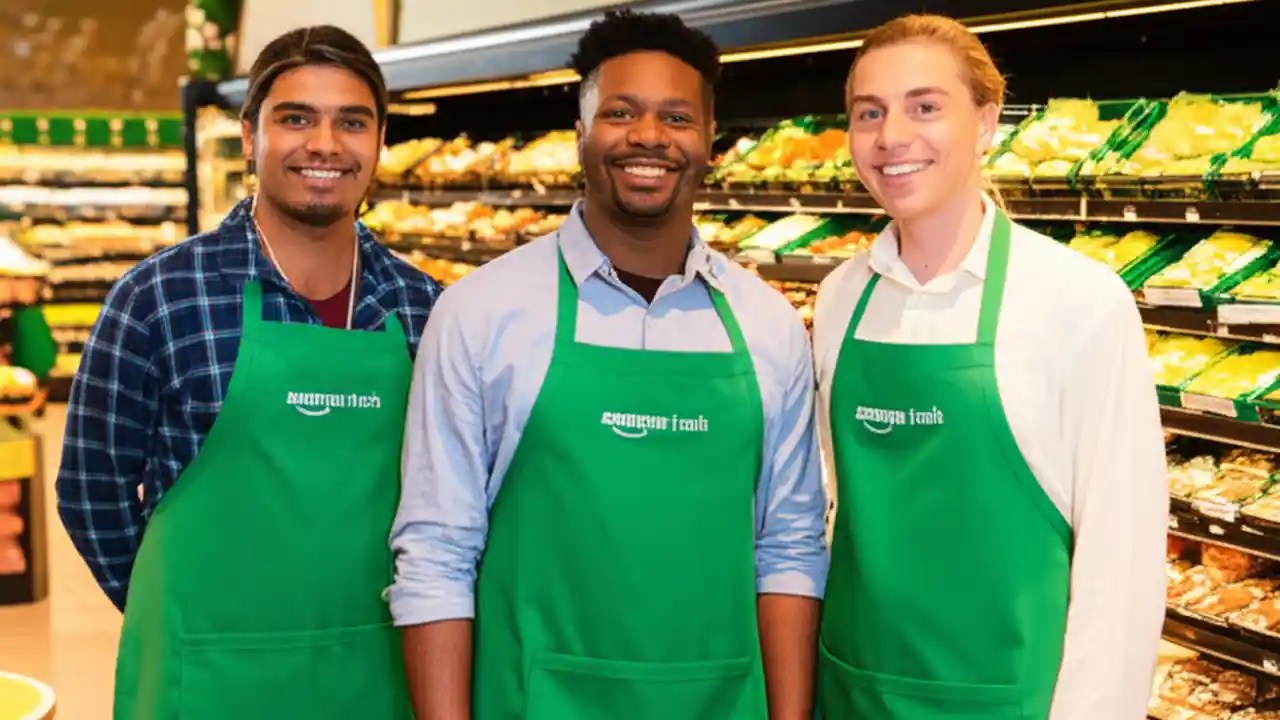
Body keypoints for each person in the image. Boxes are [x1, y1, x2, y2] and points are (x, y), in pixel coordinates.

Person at [389, 9, 829, 720]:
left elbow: (789, 549)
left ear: (710, 143)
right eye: (620, 113)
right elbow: (436, 553)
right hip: (535, 700)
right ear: (581, 136)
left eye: (676, 118)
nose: (649, 136)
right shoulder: (482, 313)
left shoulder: (769, 324)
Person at [56, 25, 440, 719]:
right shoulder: (158, 299)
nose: (324, 145)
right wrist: (177, 613)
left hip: (374, 674)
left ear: (380, 141)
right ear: (249, 136)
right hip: (204, 677)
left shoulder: (424, 307)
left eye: (351, 123)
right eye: (296, 118)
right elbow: (91, 494)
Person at [812, 13, 1167, 720]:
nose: (892, 137)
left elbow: (1120, 570)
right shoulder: (840, 297)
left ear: (986, 121)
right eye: (869, 113)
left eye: (925, 107)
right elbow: (831, 515)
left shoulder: (1077, 301)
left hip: (1007, 699)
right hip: (854, 692)